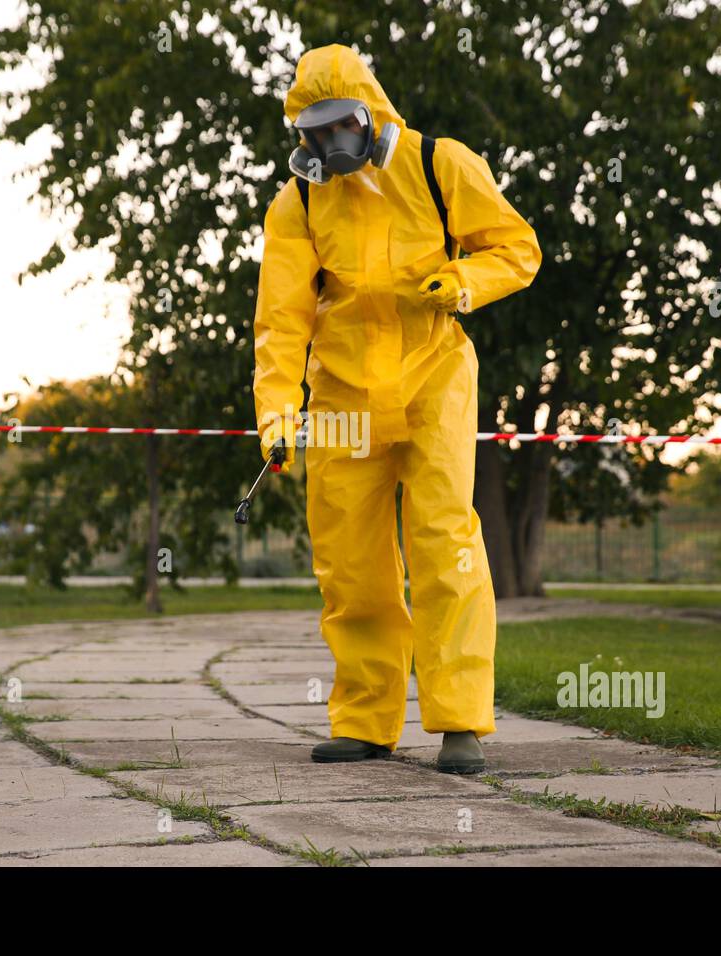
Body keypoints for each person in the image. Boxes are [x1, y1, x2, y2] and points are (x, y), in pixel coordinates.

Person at [252, 44, 542, 773]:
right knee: (351, 565)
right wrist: (276, 413)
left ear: (370, 113)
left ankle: (461, 724)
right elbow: (282, 321)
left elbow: (518, 248)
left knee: (445, 543)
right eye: (313, 132)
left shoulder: (440, 163)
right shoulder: (298, 202)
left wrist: (463, 281)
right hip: (344, 395)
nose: (329, 143)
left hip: (434, 376)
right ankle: (365, 721)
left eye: (340, 125)